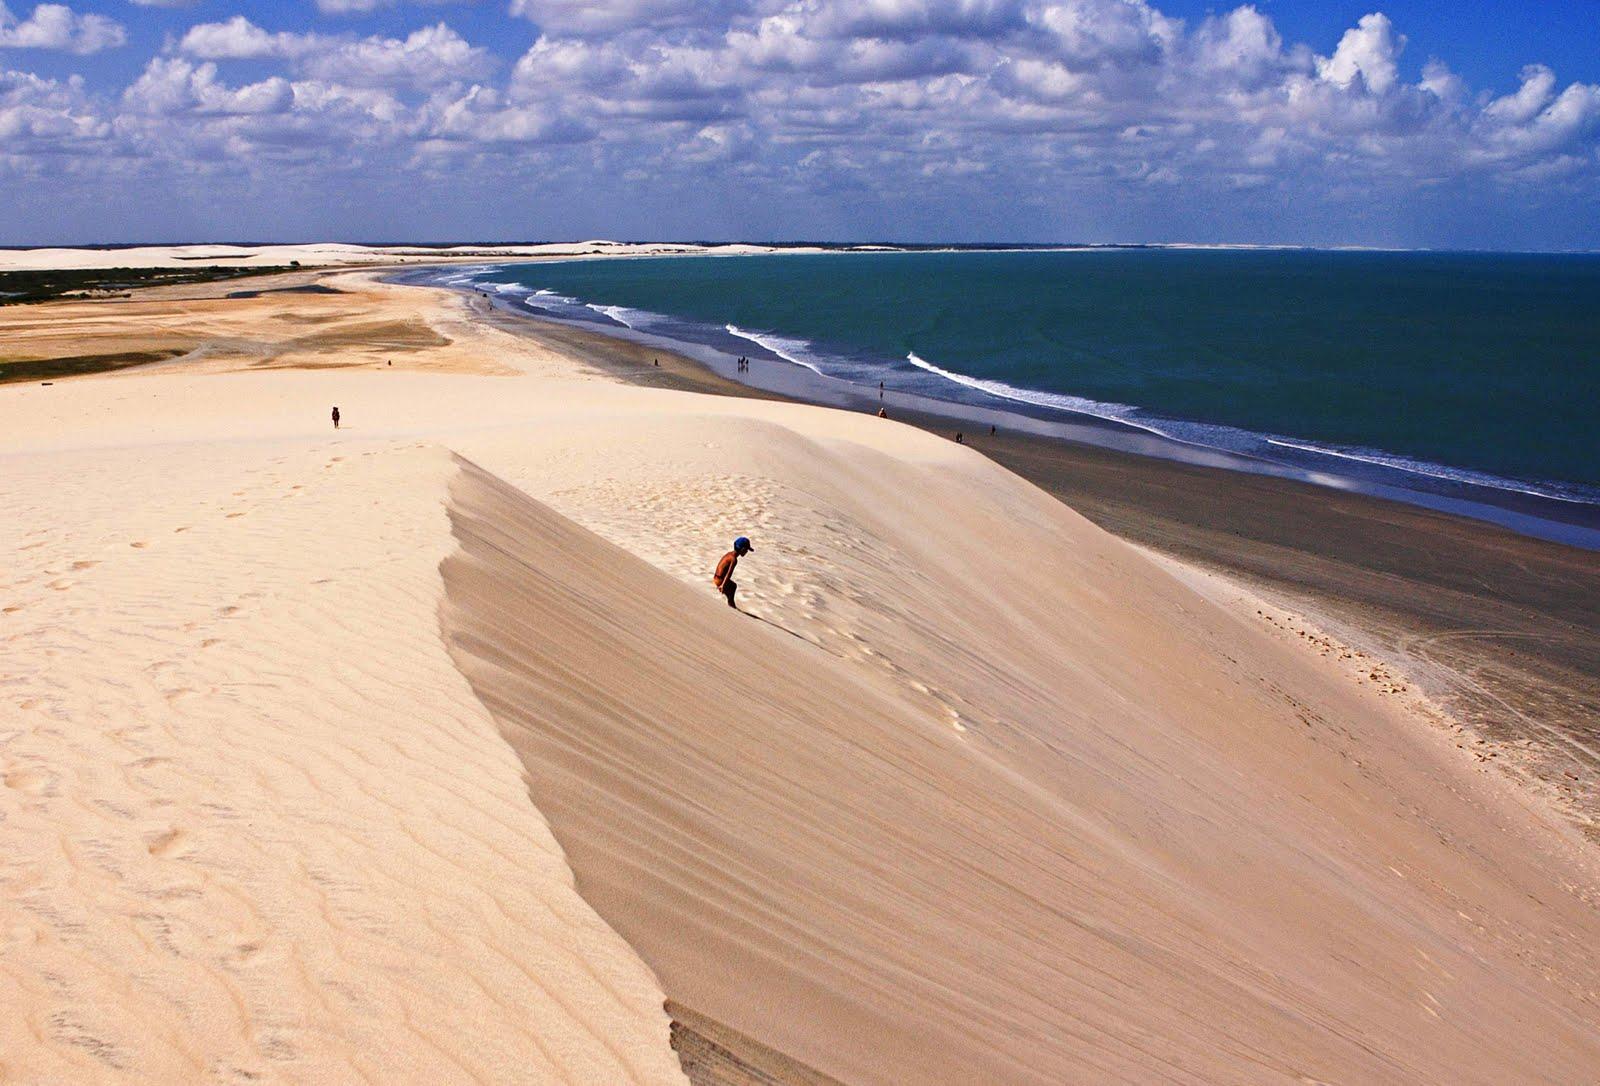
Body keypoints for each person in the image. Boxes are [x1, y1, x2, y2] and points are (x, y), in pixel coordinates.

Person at [712, 536, 753, 609]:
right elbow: (728, 574)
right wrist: (723, 585)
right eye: (746, 550)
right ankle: (731, 606)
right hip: (719, 580)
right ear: (742, 549)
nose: (746, 552)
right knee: (733, 587)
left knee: (732, 587)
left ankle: (730, 604)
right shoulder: (733, 559)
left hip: (716, 577)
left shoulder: (729, 554)